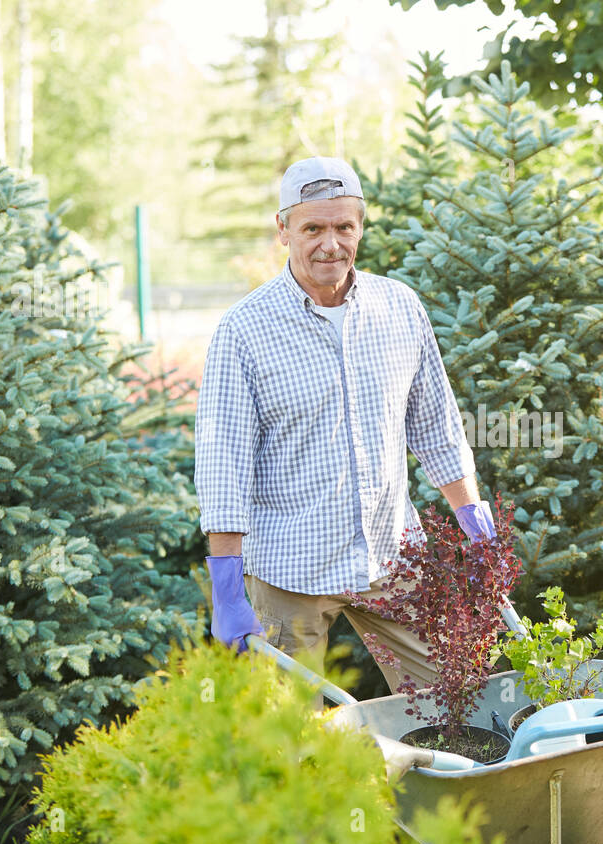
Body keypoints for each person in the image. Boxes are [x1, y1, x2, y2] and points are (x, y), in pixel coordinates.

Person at [195, 156, 495, 694]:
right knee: (284, 736)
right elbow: (224, 463)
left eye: (343, 228)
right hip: (290, 568)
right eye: (313, 228)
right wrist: (226, 587)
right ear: (283, 229)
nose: (329, 244)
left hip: (392, 554)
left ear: (360, 228)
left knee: (457, 697)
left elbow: (435, 424)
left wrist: (471, 515)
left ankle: (438, 780)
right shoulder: (243, 331)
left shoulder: (399, 307)